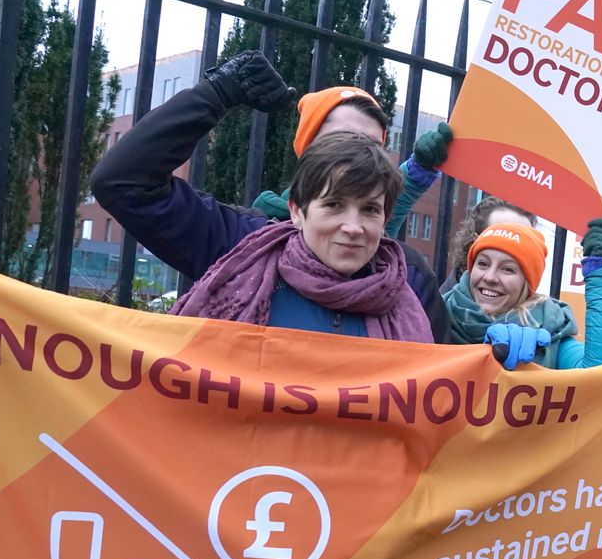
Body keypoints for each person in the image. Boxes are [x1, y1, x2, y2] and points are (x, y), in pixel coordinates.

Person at [90, 50, 451, 343]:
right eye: (337, 141)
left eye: (369, 146)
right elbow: (123, 182)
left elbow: (448, 389)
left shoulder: (409, 273)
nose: (352, 157)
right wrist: (217, 92)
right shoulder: (242, 246)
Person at [169, 132, 429, 342]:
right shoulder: (247, 281)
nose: (353, 227)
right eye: (334, 205)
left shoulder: (413, 294)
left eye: (370, 209)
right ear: (296, 211)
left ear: (386, 218)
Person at [442, 219, 602, 369]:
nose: (490, 277)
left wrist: (601, 274)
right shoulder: (437, 314)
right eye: (482, 263)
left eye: (507, 269)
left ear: (527, 283)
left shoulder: (550, 334)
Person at [444, 195, 539, 290]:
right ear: (474, 243)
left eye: (523, 243)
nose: (511, 251)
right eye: (500, 239)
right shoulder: (437, 303)